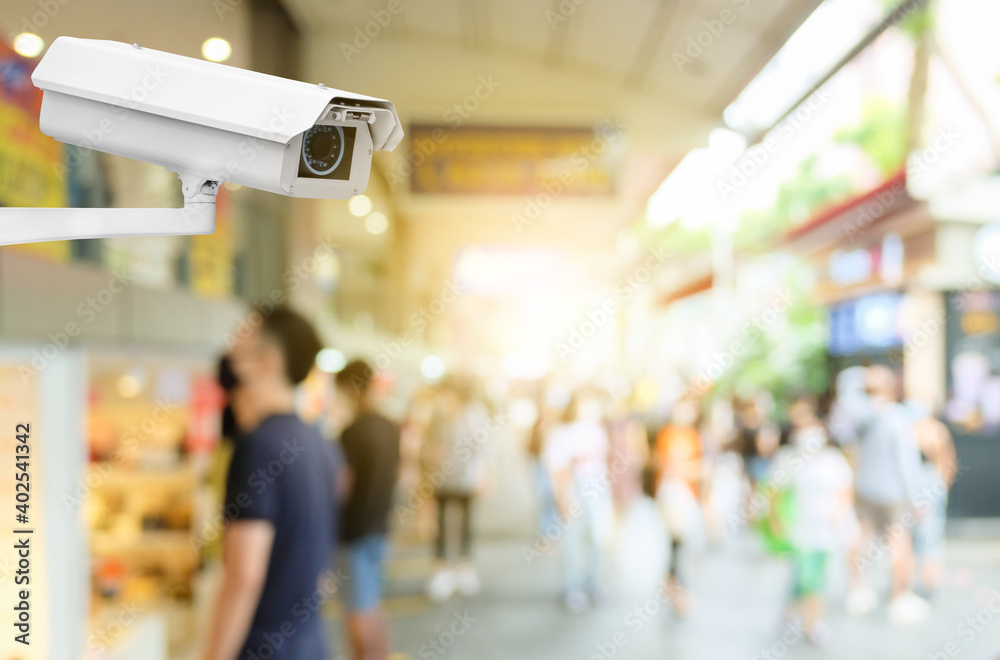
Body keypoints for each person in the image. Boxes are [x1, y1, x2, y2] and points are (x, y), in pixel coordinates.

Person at [202, 306, 340, 660]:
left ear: (270, 360)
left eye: (241, 342)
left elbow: (244, 575)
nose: (230, 352)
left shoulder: (258, 447)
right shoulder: (316, 441)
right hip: (310, 643)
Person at [772, 396, 857, 645]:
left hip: (826, 530)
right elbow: (777, 491)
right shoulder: (790, 460)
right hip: (802, 528)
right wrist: (777, 520)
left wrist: (838, 514)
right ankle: (810, 623)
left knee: (810, 575)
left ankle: (803, 619)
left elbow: (845, 489)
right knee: (809, 575)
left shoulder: (832, 461)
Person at [849, 365, 929, 624]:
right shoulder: (897, 417)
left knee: (861, 539)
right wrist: (916, 496)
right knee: (899, 543)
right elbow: (906, 461)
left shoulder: (860, 413)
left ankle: (858, 589)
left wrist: (863, 376)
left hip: (865, 489)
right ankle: (899, 597)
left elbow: (845, 382)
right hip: (893, 493)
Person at [335, 359, 401, 660]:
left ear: (350, 388)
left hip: (353, 533)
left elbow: (342, 487)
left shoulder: (351, 433)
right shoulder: (391, 427)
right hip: (381, 527)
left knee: (357, 613)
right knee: (373, 606)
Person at [422, 379, 492, 602]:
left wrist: (485, 474)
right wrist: (429, 455)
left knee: (465, 525)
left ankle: (464, 568)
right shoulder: (436, 416)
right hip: (442, 479)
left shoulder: (474, 414)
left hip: (466, 479)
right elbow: (425, 446)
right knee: (441, 526)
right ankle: (442, 570)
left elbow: (485, 448)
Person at [544, 392, 614, 613]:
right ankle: (571, 587)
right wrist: (562, 499)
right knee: (572, 539)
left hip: (597, 488)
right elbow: (556, 470)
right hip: (574, 488)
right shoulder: (561, 434)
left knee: (597, 536)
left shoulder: (595, 430)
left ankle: (592, 580)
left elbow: (603, 460)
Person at [652, 396, 703, 617]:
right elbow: (663, 465)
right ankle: (679, 589)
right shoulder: (666, 434)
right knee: (677, 541)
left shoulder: (693, 436)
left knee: (680, 543)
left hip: (687, 494)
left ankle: (670, 581)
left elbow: (700, 468)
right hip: (671, 494)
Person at [909, 399, 958, 598]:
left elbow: (948, 462)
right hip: (913, 488)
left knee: (930, 535)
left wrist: (941, 486)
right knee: (911, 536)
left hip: (930, 488)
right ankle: (909, 584)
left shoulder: (936, 431)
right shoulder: (907, 429)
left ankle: (928, 584)